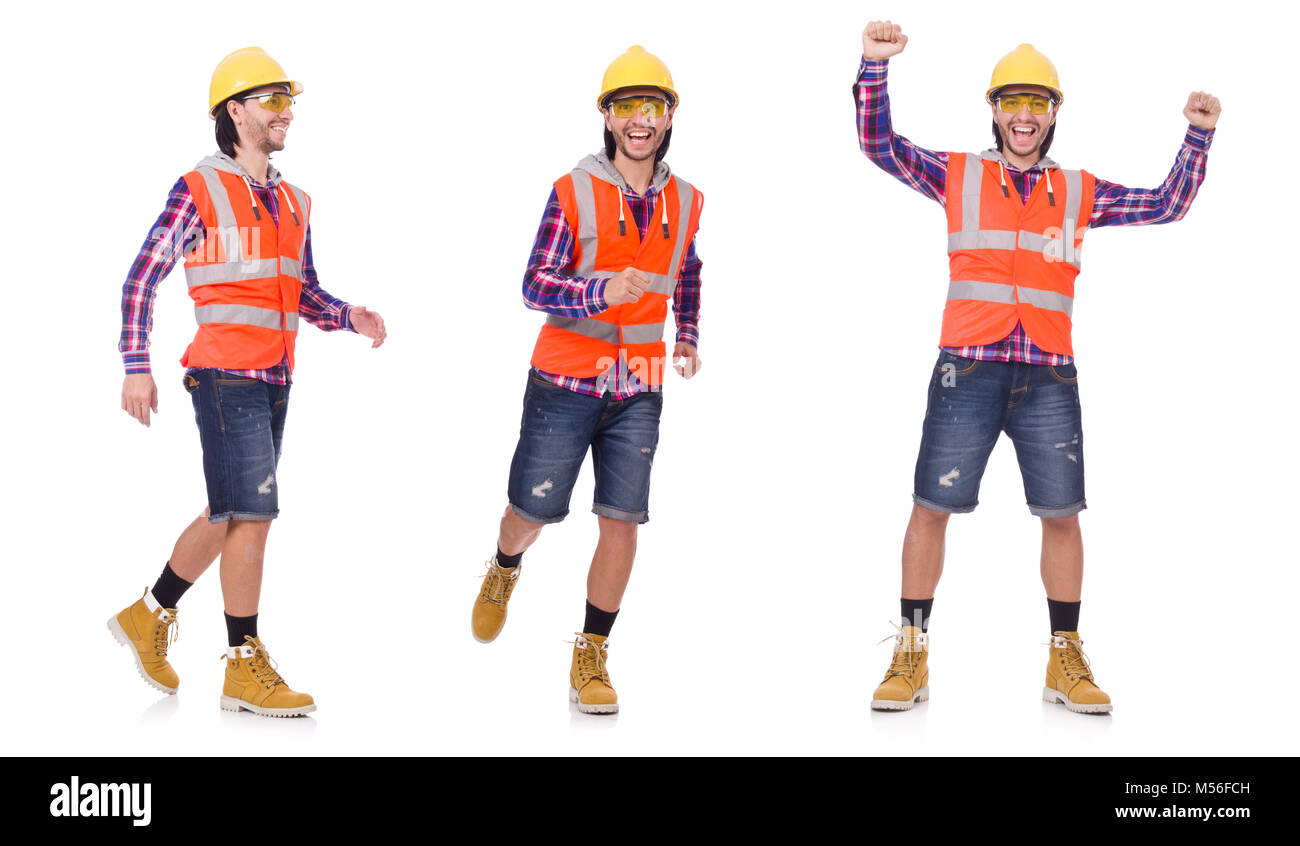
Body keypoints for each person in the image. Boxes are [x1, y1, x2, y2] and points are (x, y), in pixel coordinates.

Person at [855, 21, 1219, 713]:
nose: (1024, 116)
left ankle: (1064, 660)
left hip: (1049, 377)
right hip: (968, 368)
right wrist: (875, 68)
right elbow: (880, 145)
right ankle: (911, 650)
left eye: (1038, 103)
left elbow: (1167, 204)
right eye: (1012, 102)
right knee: (931, 508)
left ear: (1054, 111)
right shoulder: (958, 173)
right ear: (994, 108)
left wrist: (1197, 137)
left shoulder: (1080, 190)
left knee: (1061, 514)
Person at [109, 47, 387, 717]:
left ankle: (149, 614)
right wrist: (136, 366)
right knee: (254, 514)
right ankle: (243, 663)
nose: (286, 112)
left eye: (290, 102)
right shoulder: (200, 188)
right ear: (234, 111)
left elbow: (302, 292)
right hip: (223, 372)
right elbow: (142, 277)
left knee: (231, 508)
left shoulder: (296, 201)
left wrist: (348, 316)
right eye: (272, 100)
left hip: (275, 378)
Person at [470, 45, 704, 714]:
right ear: (608, 116)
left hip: (639, 387)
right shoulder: (572, 190)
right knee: (531, 513)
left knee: (623, 522)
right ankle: (503, 566)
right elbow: (533, 284)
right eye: (626, 106)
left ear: (667, 117)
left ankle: (592, 654)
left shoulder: (686, 200)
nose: (640, 120)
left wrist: (685, 333)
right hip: (565, 384)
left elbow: (686, 270)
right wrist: (599, 290)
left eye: (651, 107)